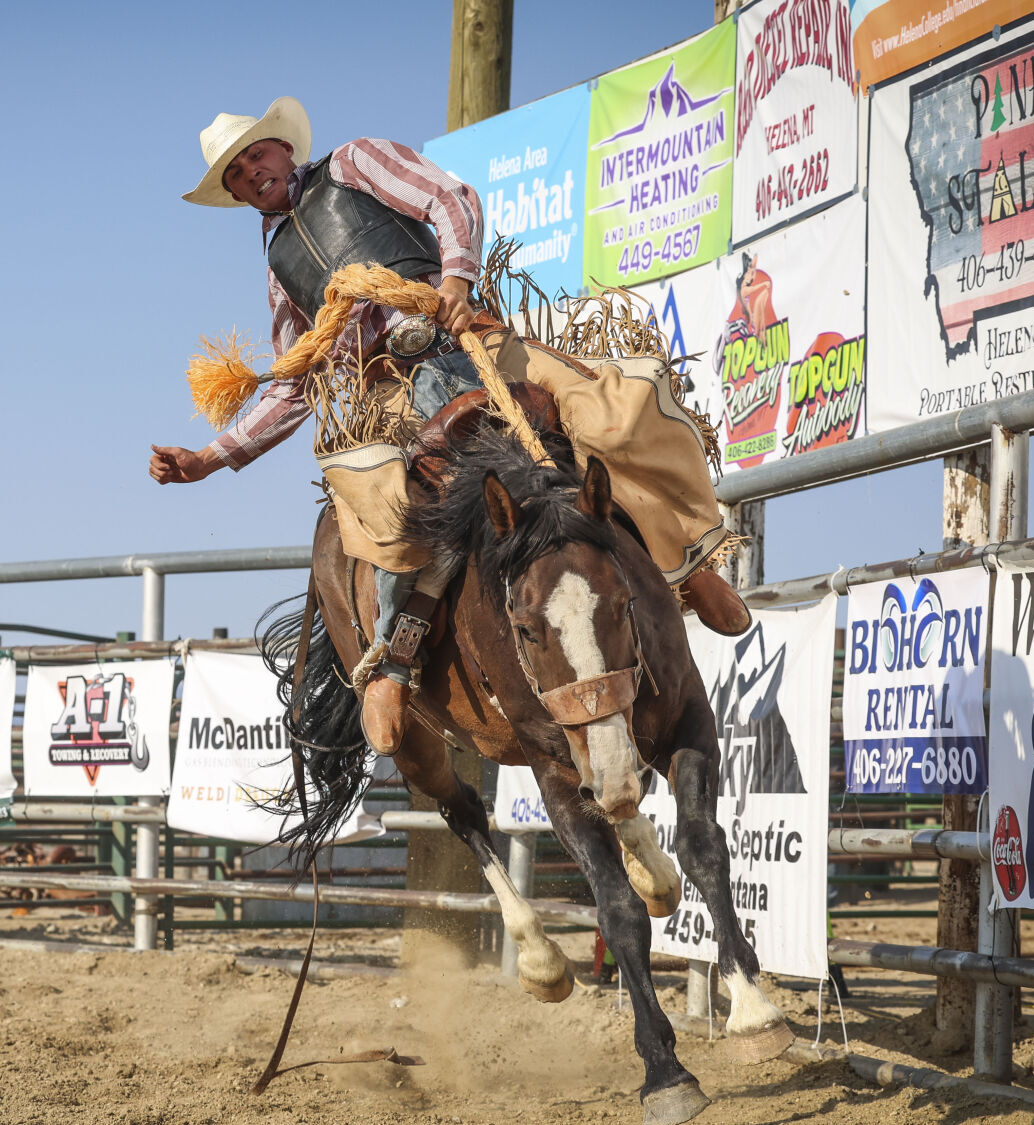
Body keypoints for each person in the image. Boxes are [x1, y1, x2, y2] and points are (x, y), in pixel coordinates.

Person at [151, 97, 751, 756]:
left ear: (282, 148)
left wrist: (457, 281)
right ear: (233, 192)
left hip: (466, 335)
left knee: (613, 406)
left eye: (255, 154)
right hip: (391, 389)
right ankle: (390, 664)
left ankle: (686, 559)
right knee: (381, 508)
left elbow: (448, 197)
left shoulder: (353, 163)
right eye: (235, 172)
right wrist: (212, 456)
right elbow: (297, 381)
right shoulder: (278, 267)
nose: (250, 171)